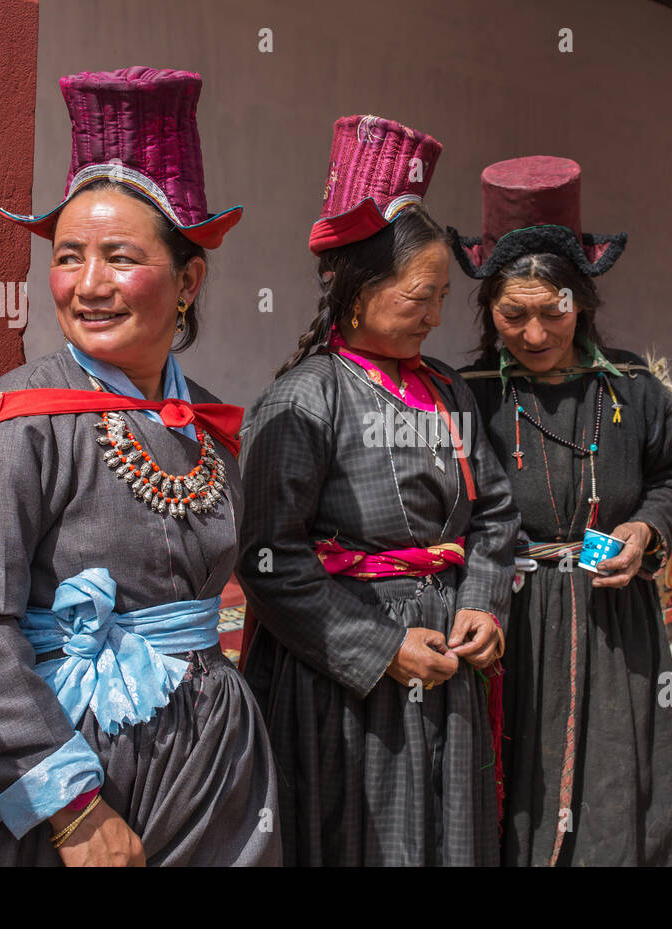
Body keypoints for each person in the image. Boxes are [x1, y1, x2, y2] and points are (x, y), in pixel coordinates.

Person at [0, 66, 280, 866]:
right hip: (66, 788)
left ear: (188, 280)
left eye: (120, 258)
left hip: (207, 773)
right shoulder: (19, 422)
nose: (88, 286)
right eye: (69, 257)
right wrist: (74, 812)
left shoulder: (208, 423)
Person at [237, 115, 520, 866]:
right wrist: (384, 647)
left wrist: (482, 603)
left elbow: (495, 513)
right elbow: (268, 561)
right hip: (343, 680)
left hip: (447, 662)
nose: (436, 317)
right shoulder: (304, 400)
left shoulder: (447, 391)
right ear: (357, 290)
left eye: (442, 297)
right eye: (420, 297)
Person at [452, 156, 672, 866]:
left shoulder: (635, 388)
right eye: (513, 315)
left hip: (613, 618)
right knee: (512, 781)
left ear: (582, 303)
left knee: (614, 781)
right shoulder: (466, 394)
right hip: (508, 617)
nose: (534, 335)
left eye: (553, 311)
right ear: (489, 311)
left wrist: (645, 528)